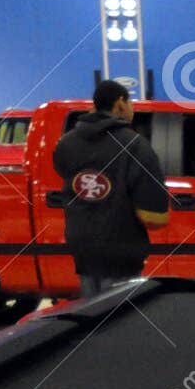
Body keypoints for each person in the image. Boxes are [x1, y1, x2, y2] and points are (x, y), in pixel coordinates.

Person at [51, 79, 170, 297]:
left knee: (92, 317)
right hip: (121, 253)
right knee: (120, 319)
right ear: (120, 103)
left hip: (83, 250)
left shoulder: (66, 143)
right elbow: (154, 215)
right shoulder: (134, 145)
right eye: (130, 102)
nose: (132, 109)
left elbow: (64, 176)